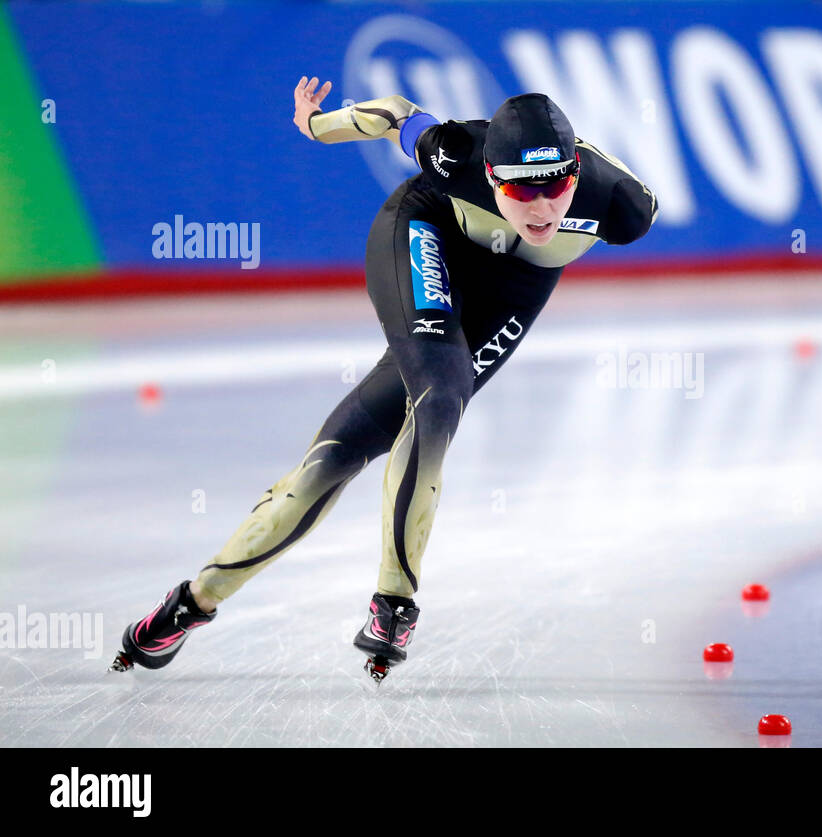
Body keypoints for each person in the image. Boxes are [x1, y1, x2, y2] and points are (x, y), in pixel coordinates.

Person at [111, 76, 659, 682]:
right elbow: (395, 114)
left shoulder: (622, 205)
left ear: (575, 172)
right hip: (425, 231)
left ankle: (190, 603)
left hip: (513, 288)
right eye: (520, 188)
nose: (541, 207)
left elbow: (598, 196)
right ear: (489, 174)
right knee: (440, 396)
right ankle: (395, 603)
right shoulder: (458, 153)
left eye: (555, 186)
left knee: (346, 451)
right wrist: (317, 126)